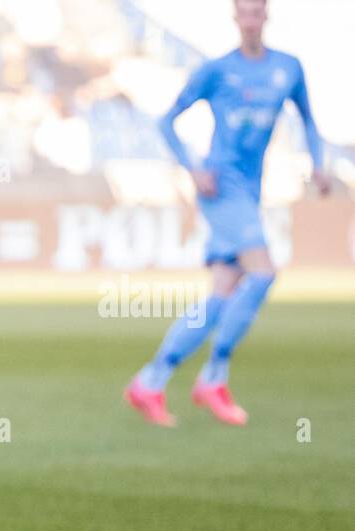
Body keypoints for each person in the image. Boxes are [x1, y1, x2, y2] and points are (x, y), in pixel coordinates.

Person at [125, 0, 330, 427]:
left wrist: (318, 163)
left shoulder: (287, 69)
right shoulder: (216, 71)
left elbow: (309, 120)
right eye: (244, 13)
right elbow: (167, 121)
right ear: (235, 18)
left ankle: (150, 381)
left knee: (222, 293)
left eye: (257, 12)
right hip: (221, 186)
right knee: (264, 272)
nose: (251, 20)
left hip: (250, 191)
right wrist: (192, 167)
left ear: (266, 16)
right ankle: (213, 377)